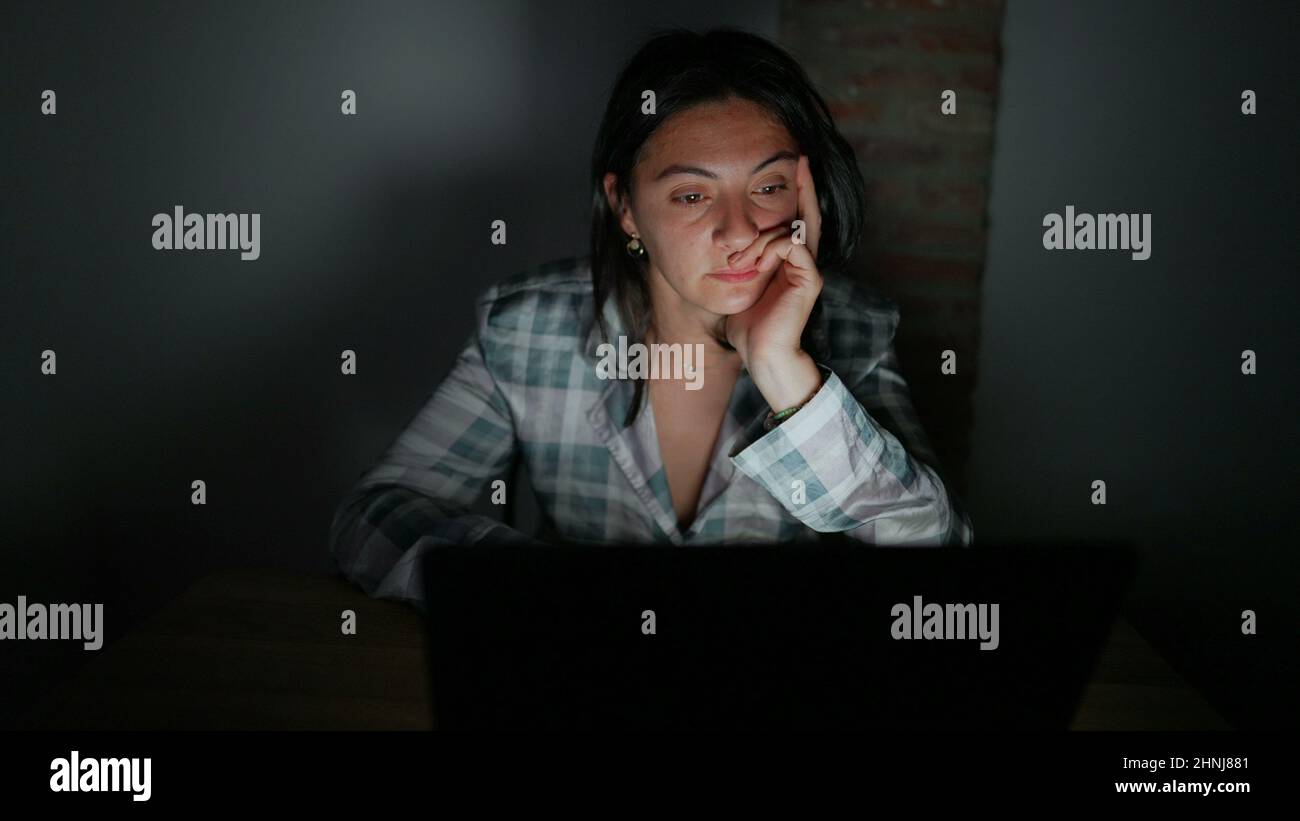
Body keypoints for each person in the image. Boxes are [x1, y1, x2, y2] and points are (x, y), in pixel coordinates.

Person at [329, 27, 974, 608]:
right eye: (692, 195)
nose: (739, 231)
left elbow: (935, 550)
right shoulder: (528, 330)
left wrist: (786, 373)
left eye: (769, 187)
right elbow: (374, 514)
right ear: (626, 208)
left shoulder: (857, 331)